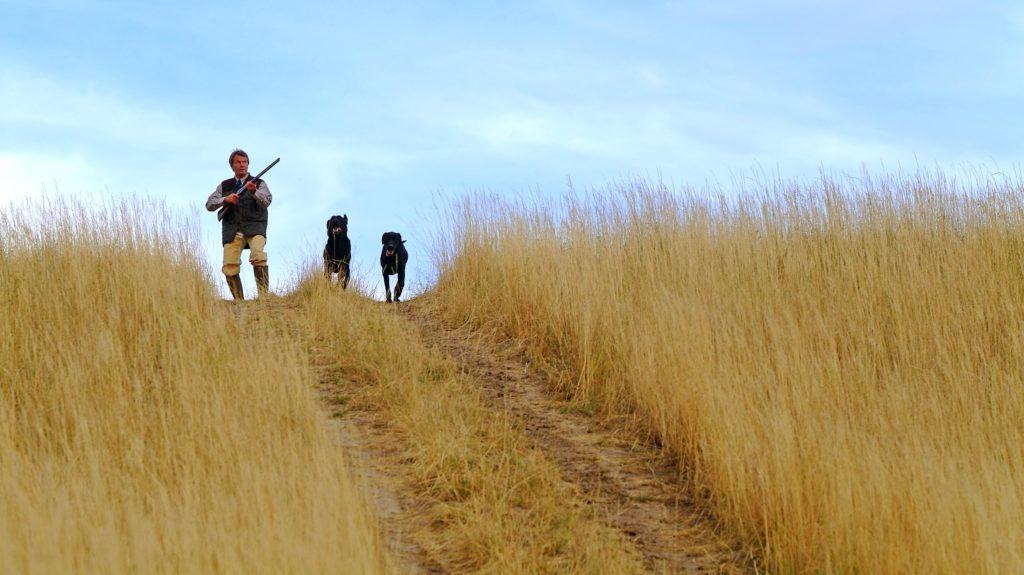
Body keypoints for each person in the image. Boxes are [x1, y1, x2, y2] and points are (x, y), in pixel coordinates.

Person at [205, 149, 273, 300]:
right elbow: (209, 204)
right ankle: (239, 302)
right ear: (232, 166)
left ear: (248, 164)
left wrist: (254, 192)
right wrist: (225, 200)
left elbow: (267, 201)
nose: (242, 165)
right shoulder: (225, 185)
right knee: (229, 266)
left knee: (258, 256)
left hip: (255, 227)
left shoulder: (259, 182)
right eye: (238, 162)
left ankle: (264, 299)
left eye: (245, 162)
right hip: (232, 230)